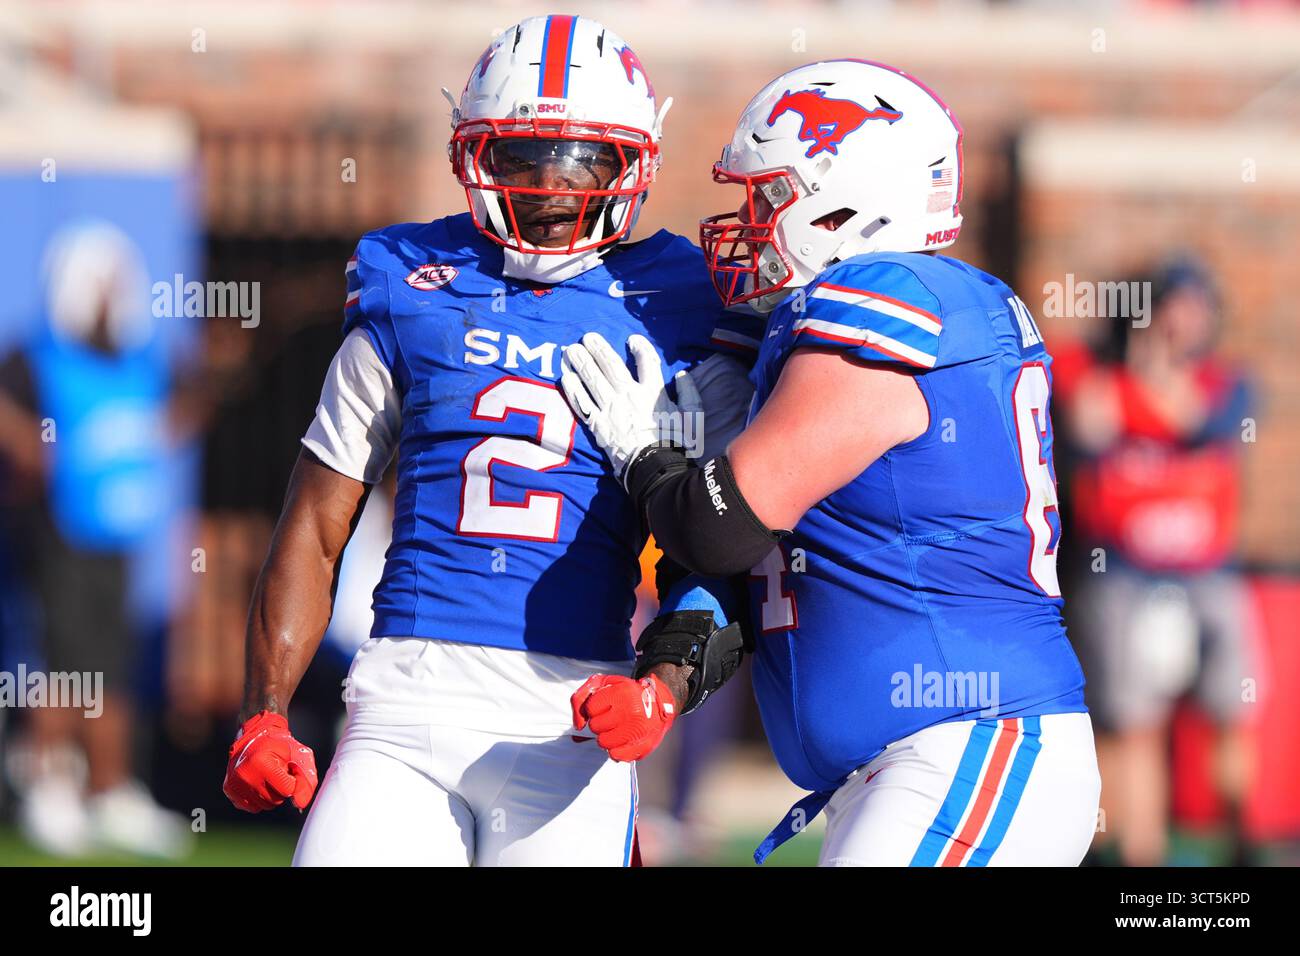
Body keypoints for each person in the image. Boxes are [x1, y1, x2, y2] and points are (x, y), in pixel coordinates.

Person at [221, 14, 754, 866]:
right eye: (523, 155)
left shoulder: (686, 300)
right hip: (403, 701)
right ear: (474, 154)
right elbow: (318, 519)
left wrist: (660, 689)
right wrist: (264, 712)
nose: (553, 186)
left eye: (585, 158)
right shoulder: (409, 277)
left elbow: (722, 542)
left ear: (635, 161)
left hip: (572, 711)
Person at [561, 59, 1101, 866]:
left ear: (850, 200)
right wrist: (667, 679)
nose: (743, 223)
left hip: (969, 739)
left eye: (768, 197)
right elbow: (754, 574)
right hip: (911, 763)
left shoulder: (890, 297)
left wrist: (648, 453)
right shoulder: (817, 330)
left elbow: (718, 528)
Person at [0, 221, 192, 858]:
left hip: (118, 533)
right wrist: (31, 448)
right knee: (61, 664)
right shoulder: (35, 357)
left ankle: (109, 790)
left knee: (112, 665)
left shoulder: (136, 360)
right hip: (56, 533)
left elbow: (170, 415)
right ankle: (50, 786)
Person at [1063, 257, 1256, 866]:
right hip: (1121, 568)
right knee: (1130, 716)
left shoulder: (1227, 383)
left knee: (1234, 703)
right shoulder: (1092, 375)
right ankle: (1138, 853)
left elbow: (1201, 426)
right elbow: (1088, 430)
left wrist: (1149, 384)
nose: (1183, 323)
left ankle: (1245, 841)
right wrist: (1134, 377)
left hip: (1207, 569)